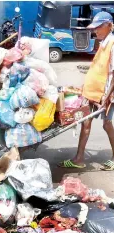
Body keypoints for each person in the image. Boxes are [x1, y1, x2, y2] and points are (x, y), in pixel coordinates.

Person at [59, 11, 114, 171]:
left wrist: (108, 96)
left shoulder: (113, 44)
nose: (95, 31)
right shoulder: (103, 42)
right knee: (86, 122)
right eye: (94, 28)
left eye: (99, 27)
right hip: (92, 91)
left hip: (105, 94)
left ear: (109, 26)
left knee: (107, 124)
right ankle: (79, 159)